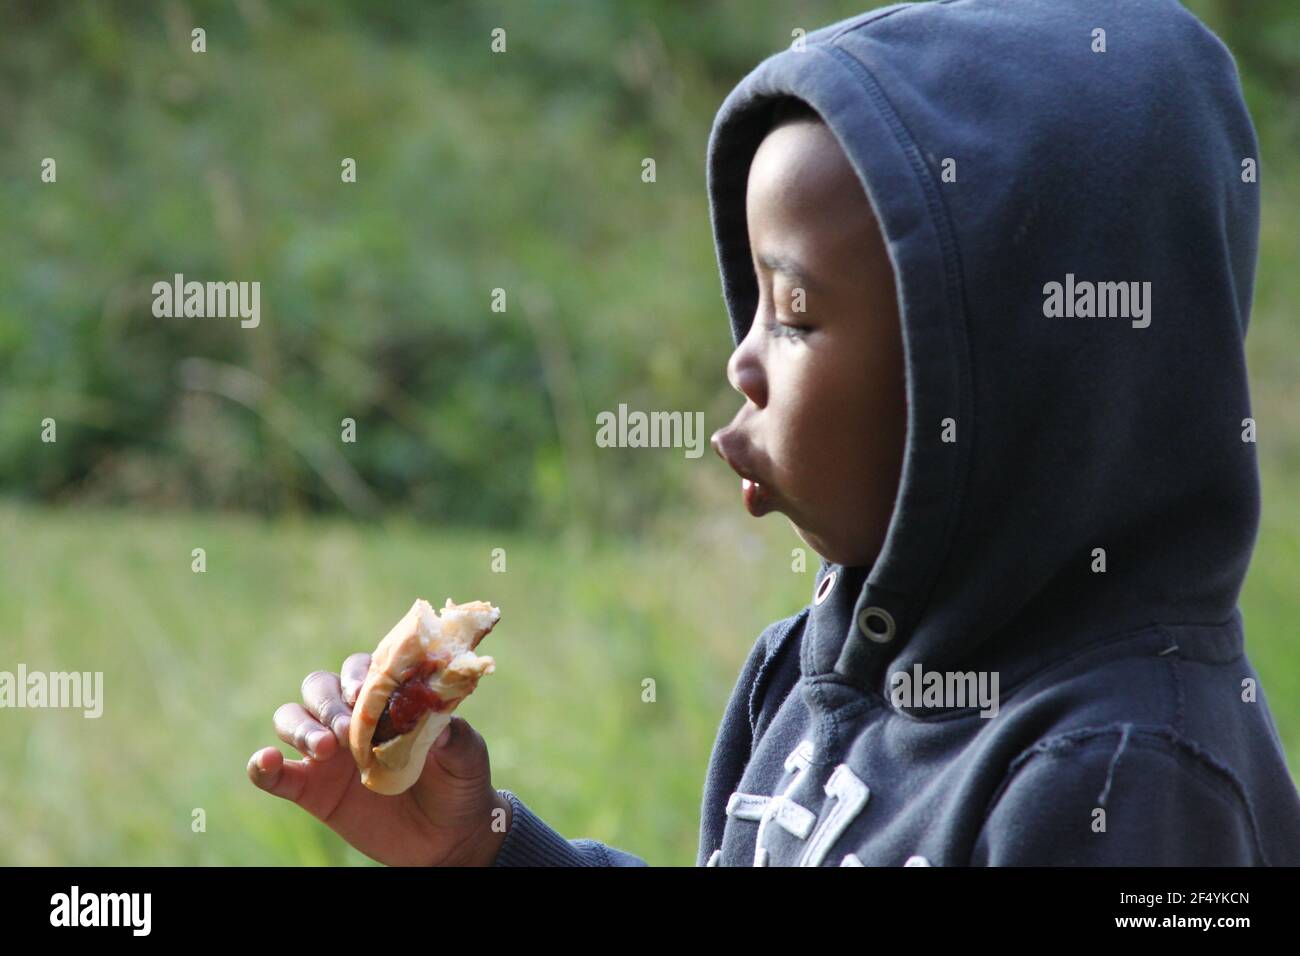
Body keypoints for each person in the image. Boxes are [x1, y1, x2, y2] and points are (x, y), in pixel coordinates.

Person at [247, 0, 1300, 865]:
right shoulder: (804, 670)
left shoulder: (1124, 773)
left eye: (793, 315)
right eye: (749, 304)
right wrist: (484, 848)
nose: (739, 362)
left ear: (990, 378)